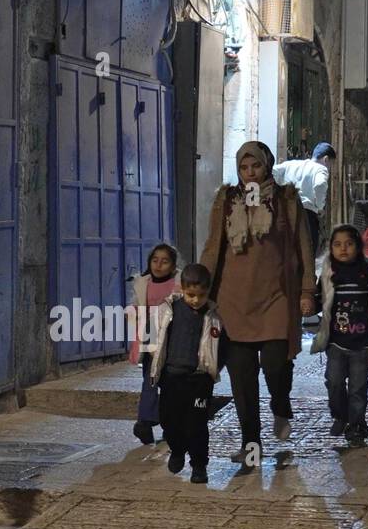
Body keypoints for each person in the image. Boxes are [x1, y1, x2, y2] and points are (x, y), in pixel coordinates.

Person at [200, 142, 316, 467]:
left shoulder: (288, 200)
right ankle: (251, 446)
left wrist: (308, 290)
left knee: (276, 365)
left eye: (256, 167)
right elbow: (213, 248)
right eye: (244, 168)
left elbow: (303, 248)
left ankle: (281, 406)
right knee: (242, 378)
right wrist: (200, 290)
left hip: (276, 296)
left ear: (267, 167)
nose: (250, 174)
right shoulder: (226, 200)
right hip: (233, 301)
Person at [310, 225, 368, 444]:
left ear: (358, 246)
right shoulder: (329, 273)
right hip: (336, 342)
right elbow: (320, 301)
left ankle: (356, 425)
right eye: (337, 244)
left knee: (358, 388)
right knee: (334, 381)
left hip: (364, 344)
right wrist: (309, 305)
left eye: (348, 244)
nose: (343, 249)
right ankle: (340, 414)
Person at [148, 263, 221, 484]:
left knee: (197, 424)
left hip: (199, 379)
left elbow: (219, 346)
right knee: (169, 420)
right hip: (171, 377)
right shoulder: (168, 309)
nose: (196, 300)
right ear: (182, 289)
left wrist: (212, 369)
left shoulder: (213, 315)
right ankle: (177, 450)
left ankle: (199, 466)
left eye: (201, 295)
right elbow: (156, 340)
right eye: (191, 295)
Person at [128, 243, 179, 445]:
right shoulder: (143, 283)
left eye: (164, 261)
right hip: (150, 334)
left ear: (173, 265)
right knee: (150, 379)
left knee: (169, 383)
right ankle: (144, 422)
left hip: (173, 336)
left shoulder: (179, 282)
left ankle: (170, 424)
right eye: (155, 260)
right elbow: (136, 305)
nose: (158, 265)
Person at [271, 141, 335, 255]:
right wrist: (319, 206)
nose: (329, 168)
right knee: (307, 255)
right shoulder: (320, 169)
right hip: (306, 216)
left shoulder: (291, 164)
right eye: (330, 164)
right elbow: (320, 184)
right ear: (326, 159)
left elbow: (272, 172)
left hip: (284, 214)